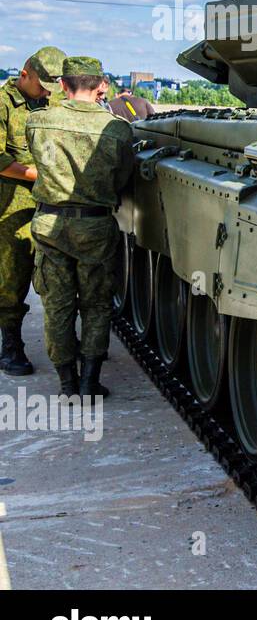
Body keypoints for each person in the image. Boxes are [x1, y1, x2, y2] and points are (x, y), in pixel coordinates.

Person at [26, 57, 134, 397]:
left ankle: (67, 383)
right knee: (97, 305)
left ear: (62, 84)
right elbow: (122, 178)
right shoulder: (118, 128)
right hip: (95, 226)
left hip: (50, 222)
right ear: (101, 85)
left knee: (57, 305)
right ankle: (89, 381)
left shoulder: (37, 122)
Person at [0, 46, 66, 376]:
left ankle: (67, 343)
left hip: (55, 204)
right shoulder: (3, 104)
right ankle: (10, 344)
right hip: (15, 205)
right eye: (41, 86)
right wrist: (42, 174)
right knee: (13, 277)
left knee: (60, 275)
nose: (45, 93)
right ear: (25, 74)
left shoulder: (52, 103)